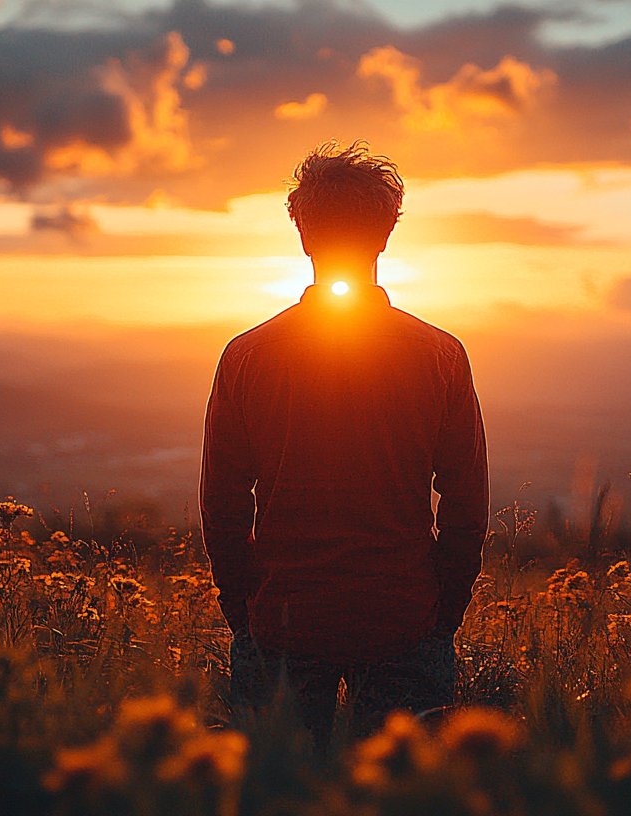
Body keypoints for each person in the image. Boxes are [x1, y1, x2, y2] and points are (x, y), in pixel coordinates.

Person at [200, 140, 489, 746]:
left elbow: (223, 503)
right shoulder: (439, 355)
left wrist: (243, 615)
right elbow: (466, 501)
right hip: (402, 616)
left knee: (279, 794)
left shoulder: (248, 356)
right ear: (385, 237)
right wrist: (442, 617)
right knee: (399, 797)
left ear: (303, 235)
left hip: (282, 619)